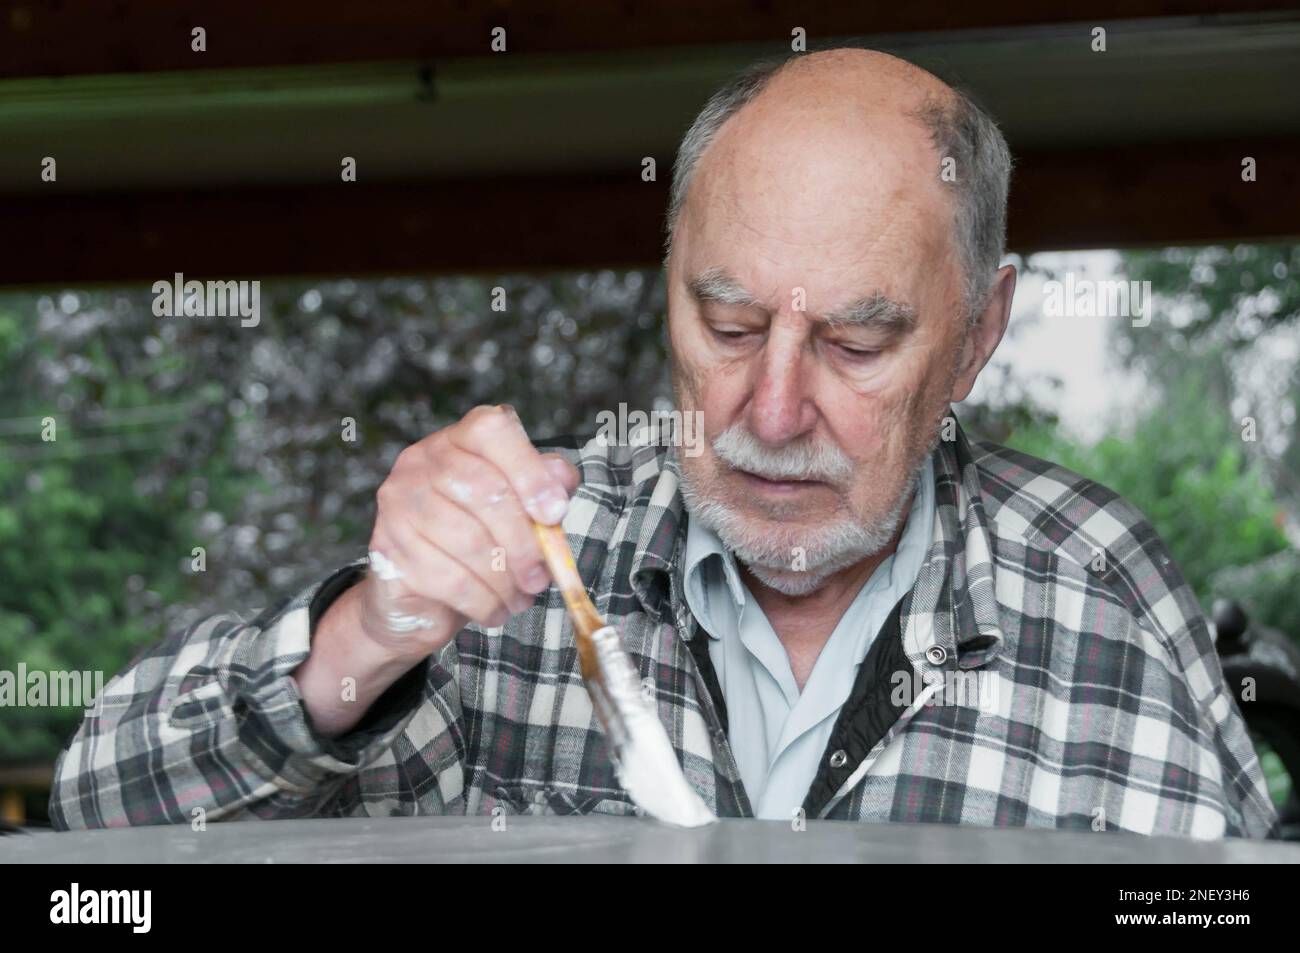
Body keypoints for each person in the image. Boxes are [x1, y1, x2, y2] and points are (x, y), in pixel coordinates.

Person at [50, 48, 1277, 837]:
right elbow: (97, 821)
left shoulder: (1100, 590)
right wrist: (364, 636)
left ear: (977, 335)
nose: (774, 411)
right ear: (666, 289)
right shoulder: (528, 562)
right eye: (728, 321)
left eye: (858, 343)